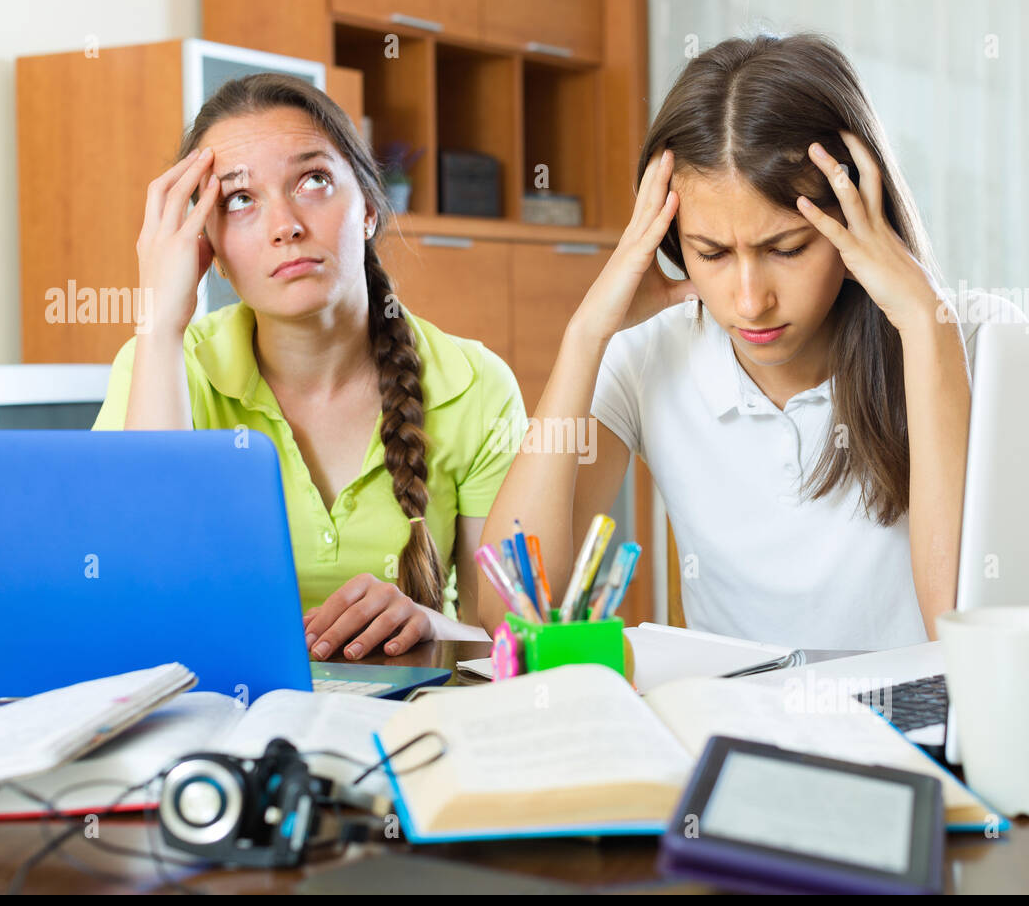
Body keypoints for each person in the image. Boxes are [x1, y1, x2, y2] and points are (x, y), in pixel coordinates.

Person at [480, 33, 975, 649]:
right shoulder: (646, 355)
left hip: (910, 731)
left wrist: (927, 328)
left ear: (857, 227)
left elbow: (963, 634)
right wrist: (585, 335)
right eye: (710, 253)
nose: (749, 301)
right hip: (735, 731)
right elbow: (510, 616)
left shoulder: (963, 342)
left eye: (787, 249)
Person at [93, 73, 525, 661]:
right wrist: (159, 324)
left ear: (369, 208)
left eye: (314, 181)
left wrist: (432, 626)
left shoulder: (475, 384)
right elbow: (134, 597)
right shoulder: (162, 363)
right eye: (240, 200)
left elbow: (511, 648)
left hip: (413, 725)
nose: (286, 225)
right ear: (209, 250)